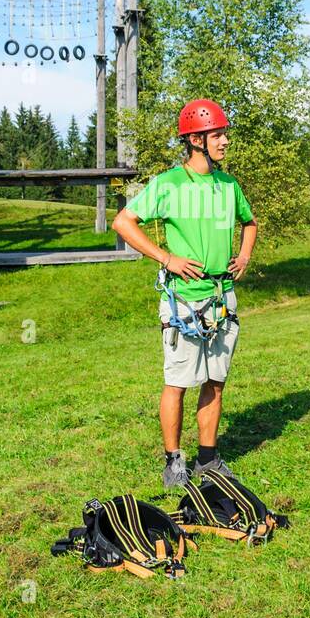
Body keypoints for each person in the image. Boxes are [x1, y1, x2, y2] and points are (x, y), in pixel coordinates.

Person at [111, 99, 258, 489]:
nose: (225, 141)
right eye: (218, 135)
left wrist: (243, 255)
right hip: (185, 300)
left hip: (221, 296)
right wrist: (166, 257)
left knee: (215, 381)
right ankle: (174, 461)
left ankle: (207, 460)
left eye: (225, 134)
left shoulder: (228, 185)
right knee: (178, 381)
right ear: (196, 139)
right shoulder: (168, 184)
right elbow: (124, 222)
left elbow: (250, 222)